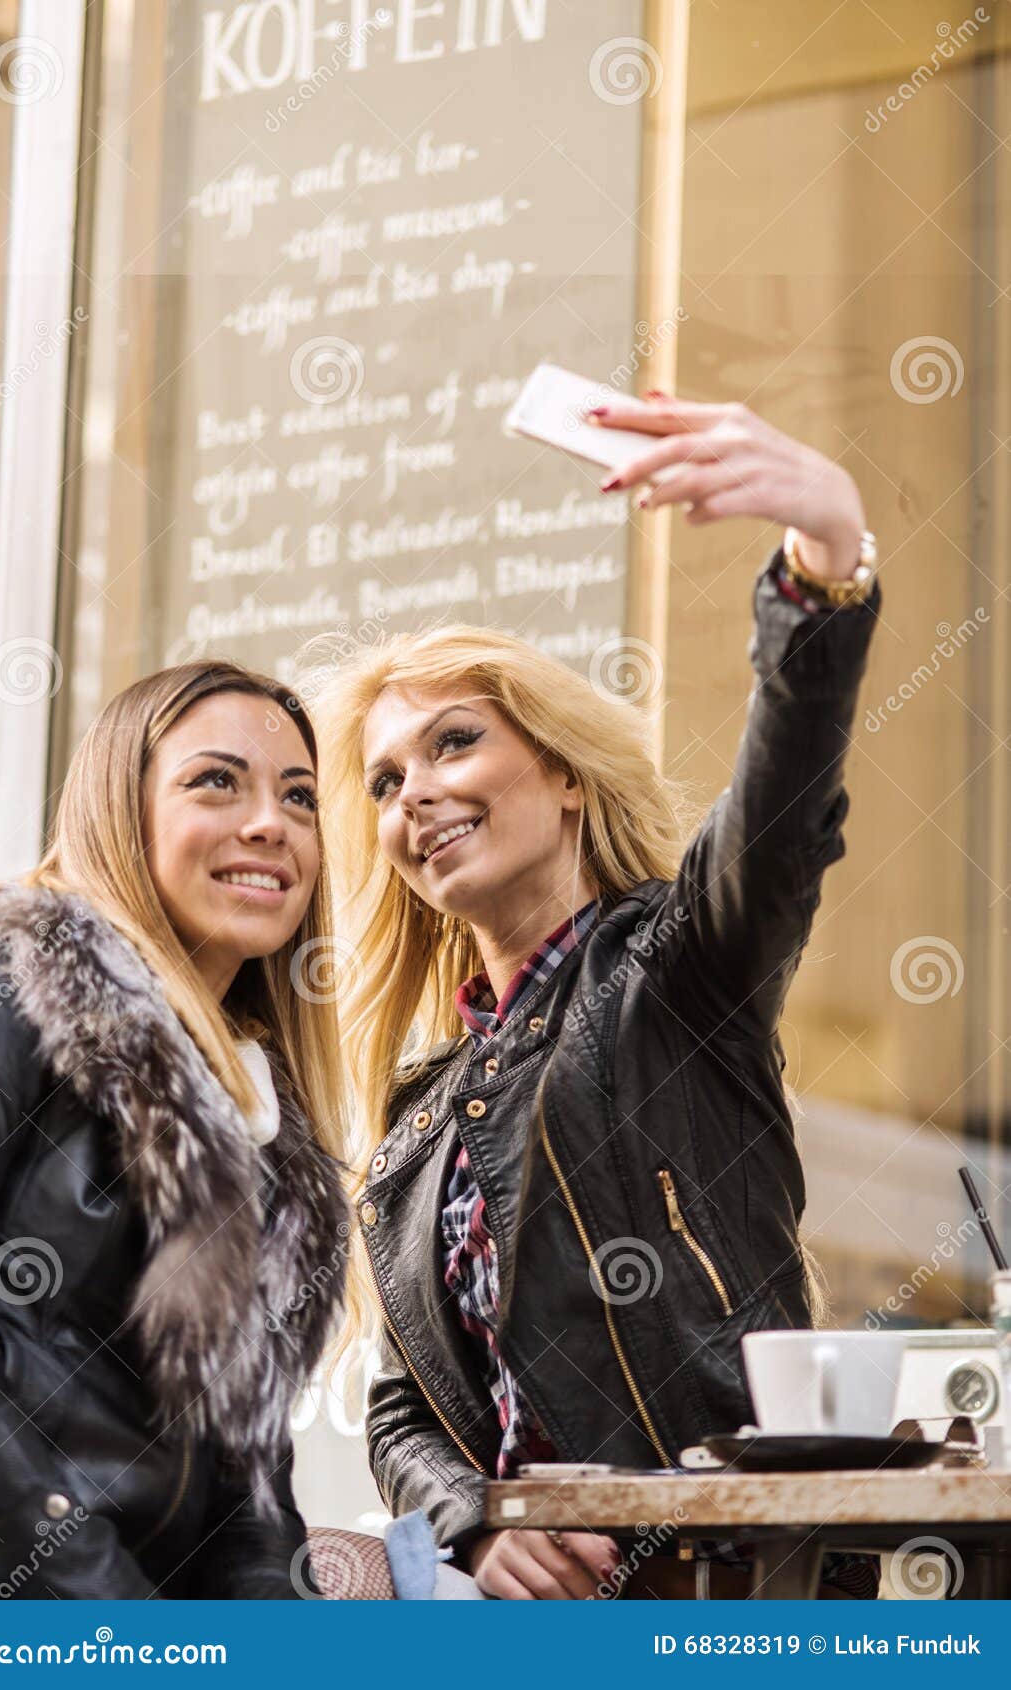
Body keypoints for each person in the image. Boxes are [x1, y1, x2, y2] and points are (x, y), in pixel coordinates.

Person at [318, 393, 884, 1600]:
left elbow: (782, 809)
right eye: (382, 779)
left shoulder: (676, 974)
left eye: (454, 743)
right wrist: (475, 1519)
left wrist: (823, 559)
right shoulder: (424, 1109)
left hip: (725, 1585)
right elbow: (399, 1404)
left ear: (565, 777)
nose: (412, 792)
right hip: (528, 1621)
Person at [0, 660, 353, 1598]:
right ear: (121, 812)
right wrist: (96, 1598)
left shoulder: (259, 1117)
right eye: (218, 781)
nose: (270, 824)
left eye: (301, 798)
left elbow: (249, 1482)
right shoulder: (3, 983)